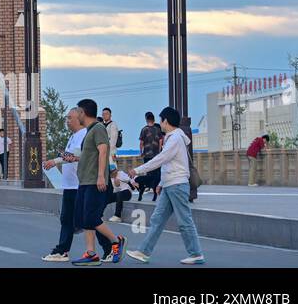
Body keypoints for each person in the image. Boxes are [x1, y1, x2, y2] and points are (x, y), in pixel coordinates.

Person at [126, 106, 204, 265]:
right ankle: (143, 252)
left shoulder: (175, 138)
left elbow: (161, 159)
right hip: (170, 184)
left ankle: (196, 254)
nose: (159, 123)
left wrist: (138, 170)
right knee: (157, 219)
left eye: (161, 120)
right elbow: (169, 162)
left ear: (166, 121)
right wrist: (161, 183)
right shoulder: (172, 137)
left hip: (177, 185)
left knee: (184, 221)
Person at [71, 98, 124, 266]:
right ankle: (91, 253)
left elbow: (103, 151)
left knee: (92, 218)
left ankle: (116, 241)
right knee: (85, 219)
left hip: (95, 181)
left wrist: (101, 176)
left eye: (78, 111)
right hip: (86, 181)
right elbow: (92, 155)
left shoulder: (98, 128)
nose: (76, 114)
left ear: (83, 112)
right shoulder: (90, 130)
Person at [42, 106, 85, 262]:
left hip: (78, 185)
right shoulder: (73, 136)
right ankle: (62, 250)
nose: (67, 121)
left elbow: (74, 156)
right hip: (70, 185)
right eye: (67, 118)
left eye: (69, 118)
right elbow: (69, 155)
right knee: (68, 219)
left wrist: (55, 161)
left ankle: (111, 244)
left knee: (85, 221)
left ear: (79, 118)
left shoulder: (83, 135)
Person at [136, 112, 163, 201]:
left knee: (148, 172)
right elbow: (160, 141)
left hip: (147, 155)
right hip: (156, 155)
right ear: (154, 120)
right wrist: (159, 151)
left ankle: (147, 188)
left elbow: (141, 143)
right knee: (156, 173)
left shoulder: (144, 129)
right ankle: (156, 189)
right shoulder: (157, 129)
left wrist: (141, 152)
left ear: (146, 120)